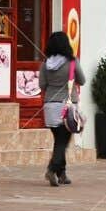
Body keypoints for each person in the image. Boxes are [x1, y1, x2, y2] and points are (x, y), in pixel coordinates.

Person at [38, 30, 83, 185]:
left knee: (59, 139)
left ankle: (62, 174)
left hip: (50, 106)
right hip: (67, 107)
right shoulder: (72, 62)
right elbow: (82, 80)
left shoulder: (45, 64)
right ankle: (51, 169)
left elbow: (42, 85)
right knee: (63, 141)